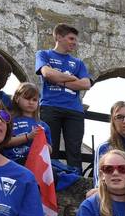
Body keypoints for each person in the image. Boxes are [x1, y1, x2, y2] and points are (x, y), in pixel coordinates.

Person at [35, 23, 91, 174]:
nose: (75, 42)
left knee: (74, 149)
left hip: (75, 110)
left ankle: (77, 181)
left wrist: (59, 80)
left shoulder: (78, 62)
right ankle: (50, 180)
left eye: (76, 40)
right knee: (49, 146)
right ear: (58, 37)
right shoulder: (43, 54)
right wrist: (72, 79)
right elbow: (47, 74)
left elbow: (86, 83)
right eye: (71, 38)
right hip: (50, 107)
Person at [0, 82, 47, 166]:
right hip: (11, 163)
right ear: (17, 98)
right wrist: (28, 137)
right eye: (27, 98)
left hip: (36, 164)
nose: (31, 102)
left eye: (34, 100)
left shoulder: (43, 125)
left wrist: (41, 141)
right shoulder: (8, 120)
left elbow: (49, 150)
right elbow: (3, 143)